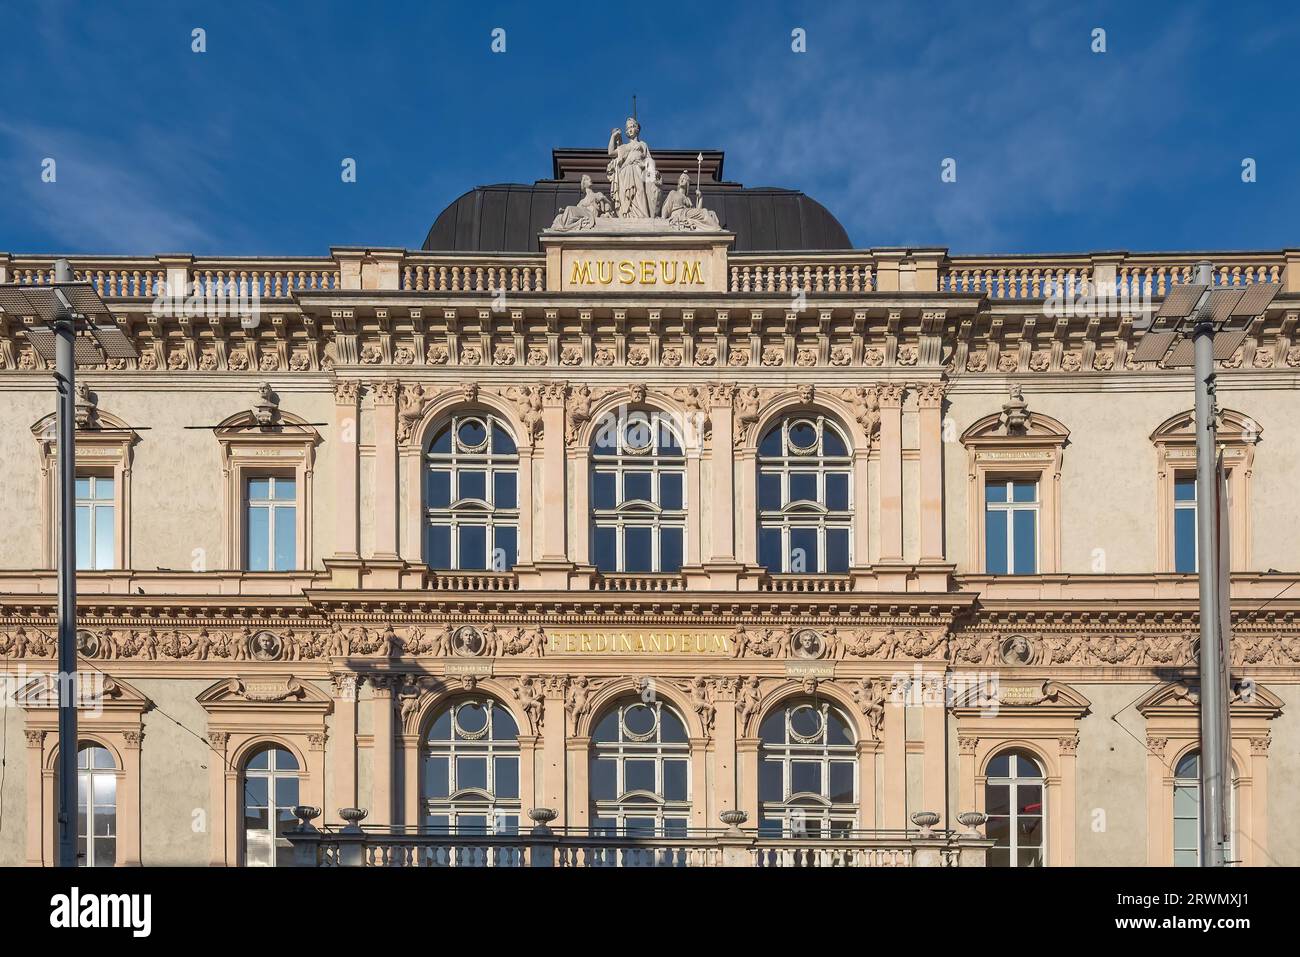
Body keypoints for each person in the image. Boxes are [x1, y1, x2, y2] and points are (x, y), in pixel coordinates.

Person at [606, 117, 659, 218]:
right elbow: (611, 152)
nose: (629, 130)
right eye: (627, 128)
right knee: (626, 197)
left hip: (638, 170)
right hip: (625, 172)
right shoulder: (625, 147)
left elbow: (649, 160)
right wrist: (613, 136)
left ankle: (643, 216)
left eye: (632, 127)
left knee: (640, 192)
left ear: (637, 129)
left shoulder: (642, 144)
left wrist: (652, 174)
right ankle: (627, 215)